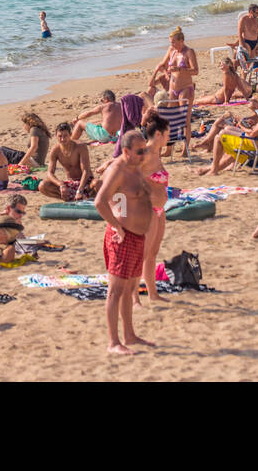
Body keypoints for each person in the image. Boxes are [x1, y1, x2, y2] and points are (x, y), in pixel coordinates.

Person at [94, 130, 155, 354]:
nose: (144, 154)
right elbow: (99, 201)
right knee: (115, 290)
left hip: (137, 236)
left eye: (145, 150)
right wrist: (116, 225)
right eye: (140, 151)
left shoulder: (134, 165)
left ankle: (129, 335)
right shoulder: (118, 169)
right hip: (122, 237)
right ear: (126, 151)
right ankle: (113, 342)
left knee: (130, 287)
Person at [200, 94, 258, 176]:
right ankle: (210, 169)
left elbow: (252, 134)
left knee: (219, 137)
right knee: (228, 129)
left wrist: (241, 125)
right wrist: (251, 127)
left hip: (254, 145)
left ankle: (214, 170)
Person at [137, 112, 171, 307]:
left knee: (152, 253)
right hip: (147, 210)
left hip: (160, 210)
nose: (169, 137)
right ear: (157, 134)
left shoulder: (157, 153)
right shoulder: (146, 153)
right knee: (142, 254)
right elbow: (124, 171)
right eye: (167, 134)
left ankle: (152, 294)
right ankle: (133, 297)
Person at [38, 122, 95, 201]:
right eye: (60, 136)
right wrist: (61, 185)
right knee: (43, 185)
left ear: (70, 135)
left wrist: (80, 189)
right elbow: (50, 173)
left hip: (85, 182)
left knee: (97, 184)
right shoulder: (55, 150)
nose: (62, 139)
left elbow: (86, 170)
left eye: (65, 136)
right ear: (56, 136)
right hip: (71, 183)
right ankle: (69, 199)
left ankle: (87, 197)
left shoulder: (80, 147)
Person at [147, 27, 199, 104]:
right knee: (171, 112)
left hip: (184, 87)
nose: (171, 45)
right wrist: (165, 72)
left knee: (182, 111)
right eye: (170, 42)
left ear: (181, 41)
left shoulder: (189, 52)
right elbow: (162, 65)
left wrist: (179, 69)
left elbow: (195, 71)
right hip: (172, 89)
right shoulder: (171, 49)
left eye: (173, 42)